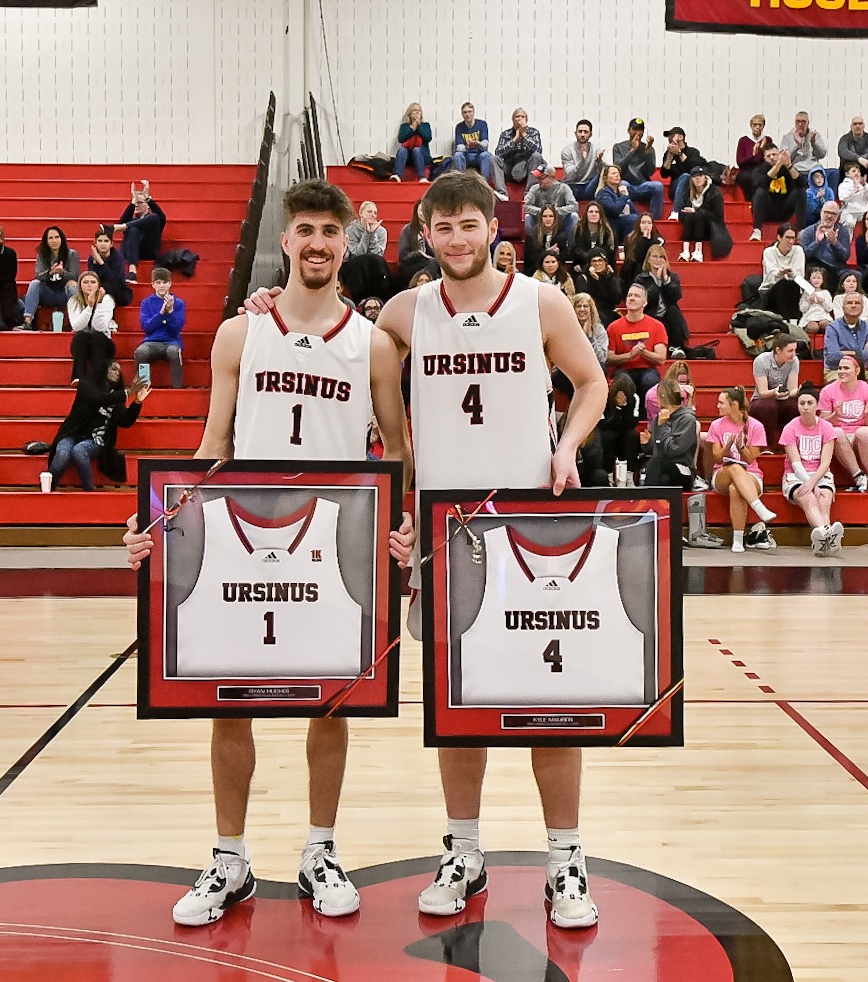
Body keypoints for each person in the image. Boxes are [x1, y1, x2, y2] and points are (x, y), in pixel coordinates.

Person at [240, 171, 608, 929]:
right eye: (443, 227)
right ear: (426, 236)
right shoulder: (407, 312)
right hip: (446, 534)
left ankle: (566, 859)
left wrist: (567, 445)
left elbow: (592, 383)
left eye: (470, 224)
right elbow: (327, 335)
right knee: (456, 705)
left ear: (493, 230)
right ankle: (464, 852)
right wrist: (265, 306)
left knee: (551, 704)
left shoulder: (539, 302)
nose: (457, 238)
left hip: (529, 527)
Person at [125, 179, 413, 927]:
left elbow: (396, 451)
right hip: (243, 539)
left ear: (346, 243)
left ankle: (321, 850)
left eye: (329, 232)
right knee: (231, 703)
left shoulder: (373, 344)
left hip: (334, 542)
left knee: (332, 701)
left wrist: (401, 524)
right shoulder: (238, 334)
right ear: (285, 241)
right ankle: (230, 858)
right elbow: (211, 447)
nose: (317, 243)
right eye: (305, 230)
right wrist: (157, 524)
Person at [48, 362, 150, 490]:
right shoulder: (86, 384)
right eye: (113, 368)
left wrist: (137, 402)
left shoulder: (116, 397)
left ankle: (89, 490)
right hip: (71, 434)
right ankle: (48, 488)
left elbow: (125, 422)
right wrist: (128, 393)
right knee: (62, 454)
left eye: (119, 371)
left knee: (79, 451)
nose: (117, 372)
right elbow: (97, 399)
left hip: (95, 439)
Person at [709, 386, 777, 553]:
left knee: (735, 489)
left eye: (721, 403)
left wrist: (741, 447)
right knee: (734, 467)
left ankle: (738, 540)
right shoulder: (716, 425)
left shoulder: (756, 426)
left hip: (751, 474)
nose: (717, 406)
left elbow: (751, 459)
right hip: (722, 474)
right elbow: (717, 458)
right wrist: (727, 447)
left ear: (734, 405)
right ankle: (758, 506)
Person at [781, 386, 844, 556]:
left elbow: (826, 462)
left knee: (824, 500)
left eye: (810, 403)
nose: (805, 407)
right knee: (809, 498)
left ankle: (823, 542)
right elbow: (795, 463)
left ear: (817, 405)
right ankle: (828, 535)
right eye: (802, 403)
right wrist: (811, 485)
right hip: (796, 475)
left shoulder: (826, 427)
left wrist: (814, 482)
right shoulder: (790, 428)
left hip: (820, 474)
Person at [821, 352, 868, 492]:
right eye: (840, 368)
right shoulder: (828, 391)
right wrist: (835, 416)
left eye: (846, 368)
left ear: (857, 371)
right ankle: (858, 476)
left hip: (863, 436)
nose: (841, 371)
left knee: (864, 432)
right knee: (836, 432)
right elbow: (823, 424)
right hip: (839, 438)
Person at [607, 282, 670, 410]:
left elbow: (661, 358)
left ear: (645, 302)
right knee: (624, 382)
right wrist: (630, 355)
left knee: (650, 381)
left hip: (647, 369)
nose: (632, 298)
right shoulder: (613, 327)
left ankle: (646, 416)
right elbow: (609, 358)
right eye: (629, 295)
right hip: (622, 369)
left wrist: (643, 352)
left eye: (636, 296)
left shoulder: (657, 326)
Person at [822, 293, 868, 398]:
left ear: (862, 307)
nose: (853, 305)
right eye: (849, 303)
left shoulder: (867, 327)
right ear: (843, 307)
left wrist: (846, 352)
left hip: (859, 371)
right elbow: (832, 356)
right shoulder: (832, 327)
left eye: (857, 303)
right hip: (836, 370)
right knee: (844, 381)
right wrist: (860, 353)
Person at [644, 376, 700, 490]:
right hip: (662, 467)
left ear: (662, 397)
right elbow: (654, 450)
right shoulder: (659, 417)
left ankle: (646, 498)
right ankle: (650, 499)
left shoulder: (687, 419)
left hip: (682, 469)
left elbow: (674, 450)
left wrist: (663, 426)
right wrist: (647, 443)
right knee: (662, 479)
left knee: (656, 463)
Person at [134, 268, 186, 388]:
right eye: (158, 282)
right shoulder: (146, 303)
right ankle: (144, 387)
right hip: (151, 342)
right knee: (140, 352)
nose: (161, 285)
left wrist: (171, 312)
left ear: (170, 283)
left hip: (172, 342)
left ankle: (177, 388)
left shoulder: (179, 303)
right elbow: (146, 327)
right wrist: (161, 314)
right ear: (153, 284)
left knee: (174, 352)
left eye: (164, 282)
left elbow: (176, 329)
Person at [22, 225, 80, 330]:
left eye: (57, 237)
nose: (54, 241)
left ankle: (77, 323)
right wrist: (50, 273)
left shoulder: (72, 254)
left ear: (61, 239)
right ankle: (27, 322)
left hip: (64, 293)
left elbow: (75, 276)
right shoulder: (42, 255)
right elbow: (38, 275)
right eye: (51, 238)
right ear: (47, 241)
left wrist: (62, 272)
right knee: (34, 283)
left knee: (73, 284)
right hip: (48, 293)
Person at [633, 245, 687, 353]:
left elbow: (676, 296)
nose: (658, 260)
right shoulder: (641, 279)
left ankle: (676, 347)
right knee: (657, 321)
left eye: (661, 257)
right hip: (651, 314)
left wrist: (666, 280)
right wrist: (657, 282)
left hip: (668, 316)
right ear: (648, 260)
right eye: (655, 256)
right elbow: (646, 300)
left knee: (673, 311)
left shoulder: (672, 277)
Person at [750, 333, 801, 446]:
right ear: (778, 350)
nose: (793, 354)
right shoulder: (761, 361)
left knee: (793, 406)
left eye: (795, 350)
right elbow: (763, 392)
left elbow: (792, 389)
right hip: (761, 399)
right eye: (790, 351)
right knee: (769, 406)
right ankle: (768, 445)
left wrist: (799, 392)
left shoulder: (794, 361)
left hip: (784, 398)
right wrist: (775, 392)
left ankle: (789, 443)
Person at [111, 180, 167, 282]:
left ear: (147, 205)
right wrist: (132, 203)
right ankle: (132, 272)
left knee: (153, 217)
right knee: (132, 229)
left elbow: (161, 217)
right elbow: (122, 222)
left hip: (148, 252)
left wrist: (148, 198)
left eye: (140, 203)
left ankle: (132, 272)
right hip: (131, 252)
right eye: (135, 203)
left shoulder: (154, 219)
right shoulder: (132, 221)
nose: (137, 205)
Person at [610, 118, 665, 219]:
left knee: (658, 186)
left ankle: (654, 220)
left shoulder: (648, 148)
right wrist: (633, 150)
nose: (638, 133)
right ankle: (636, 218)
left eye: (640, 130)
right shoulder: (618, 147)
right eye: (635, 129)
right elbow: (618, 168)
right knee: (623, 185)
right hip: (627, 184)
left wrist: (648, 153)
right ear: (629, 130)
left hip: (643, 185)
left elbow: (650, 171)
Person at [68, 270, 117, 383]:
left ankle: (98, 379)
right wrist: (89, 307)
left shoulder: (107, 300)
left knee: (97, 336)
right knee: (80, 335)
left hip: (103, 345)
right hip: (82, 346)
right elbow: (76, 327)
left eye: (93, 282)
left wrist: (98, 304)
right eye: (85, 282)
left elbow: (100, 327)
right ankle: (78, 378)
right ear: (80, 286)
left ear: (98, 285)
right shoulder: (74, 301)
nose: (89, 285)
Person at [598, 374, 644, 484]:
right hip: (608, 431)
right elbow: (602, 424)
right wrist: (617, 409)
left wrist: (623, 409)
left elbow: (632, 423)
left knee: (632, 436)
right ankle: (608, 476)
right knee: (607, 437)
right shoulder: (604, 397)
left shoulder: (634, 398)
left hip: (624, 432)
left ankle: (629, 477)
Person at [342, 200, 391, 300]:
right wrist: (367, 234)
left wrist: (372, 235)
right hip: (354, 264)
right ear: (361, 213)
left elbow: (378, 254)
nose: (373, 215)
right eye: (369, 211)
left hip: (373, 265)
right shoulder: (351, 229)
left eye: (375, 213)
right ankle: (360, 299)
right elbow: (358, 253)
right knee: (362, 261)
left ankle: (379, 300)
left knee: (378, 262)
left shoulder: (381, 231)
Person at [750, 148, 804, 241]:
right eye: (768, 156)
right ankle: (757, 230)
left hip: (784, 210)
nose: (771, 157)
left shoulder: (786, 170)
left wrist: (789, 166)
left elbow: (802, 184)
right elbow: (760, 184)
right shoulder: (759, 170)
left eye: (774, 154)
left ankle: (800, 232)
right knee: (760, 191)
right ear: (764, 159)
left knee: (800, 192)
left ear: (779, 155)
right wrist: (778, 165)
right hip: (766, 211)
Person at [677, 167, 724, 263]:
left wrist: (697, 211)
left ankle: (698, 251)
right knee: (690, 215)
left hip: (710, 227)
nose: (698, 178)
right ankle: (685, 251)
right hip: (691, 226)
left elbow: (718, 217)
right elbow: (681, 215)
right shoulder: (688, 193)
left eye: (700, 176)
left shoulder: (714, 192)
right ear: (691, 179)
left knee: (698, 215)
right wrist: (689, 213)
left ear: (705, 178)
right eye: (695, 176)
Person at [759, 223, 805, 321]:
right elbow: (770, 278)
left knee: (792, 284)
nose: (791, 241)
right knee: (784, 283)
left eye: (793, 238)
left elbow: (800, 277)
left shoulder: (798, 251)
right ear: (779, 237)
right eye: (787, 238)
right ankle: (784, 320)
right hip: (770, 291)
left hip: (793, 289)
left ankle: (793, 320)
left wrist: (792, 273)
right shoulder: (769, 252)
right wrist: (780, 273)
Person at [658, 126, 707, 217]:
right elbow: (664, 174)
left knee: (686, 176)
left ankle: (678, 211)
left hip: (692, 187)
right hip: (675, 187)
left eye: (672, 136)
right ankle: (676, 212)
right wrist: (669, 157)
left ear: (680, 137)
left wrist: (679, 153)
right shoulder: (668, 153)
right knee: (684, 177)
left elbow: (694, 168)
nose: (669, 139)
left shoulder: (693, 152)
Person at [496, 107, 545, 185]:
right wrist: (514, 140)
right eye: (517, 116)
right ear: (513, 119)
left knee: (536, 156)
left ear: (526, 120)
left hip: (528, 169)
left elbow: (538, 151)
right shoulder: (505, 134)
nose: (520, 119)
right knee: (493, 159)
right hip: (509, 167)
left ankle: (530, 190)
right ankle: (501, 190)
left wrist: (525, 135)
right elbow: (498, 153)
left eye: (522, 117)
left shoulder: (534, 132)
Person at [523, 168, 577, 238]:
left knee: (574, 216)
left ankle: (571, 244)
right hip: (540, 224)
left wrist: (555, 211)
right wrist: (543, 211)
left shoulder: (564, 188)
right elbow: (526, 207)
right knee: (528, 217)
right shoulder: (534, 188)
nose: (538, 180)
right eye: (538, 178)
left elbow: (574, 206)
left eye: (541, 178)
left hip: (559, 223)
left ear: (550, 177)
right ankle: (533, 243)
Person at [559, 119, 605, 201]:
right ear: (575, 133)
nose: (582, 134)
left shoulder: (597, 149)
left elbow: (603, 172)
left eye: (585, 132)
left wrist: (599, 161)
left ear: (590, 134)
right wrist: (582, 161)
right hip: (574, 185)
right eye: (580, 132)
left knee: (603, 176)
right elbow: (570, 176)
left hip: (590, 186)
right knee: (565, 188)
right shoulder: (567, 151)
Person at [801, 202, 850, 278]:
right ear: (821, 212)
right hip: (815, 267)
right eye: (827, 212)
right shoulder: (809, 231)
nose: (829, 216)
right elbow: (804, 256)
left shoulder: (843, 232)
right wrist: (817, 242)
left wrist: (835, 243)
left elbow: (845, 258)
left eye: (833, 214)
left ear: (837, 216)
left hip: (836, 270)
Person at [398, 199, 438, 286]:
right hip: (411, 264)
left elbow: (434, 254)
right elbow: (403, 255)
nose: (423, 213)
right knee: (433, 264)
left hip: (428, 263)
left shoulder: (433, 229)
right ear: (416, 212)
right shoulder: (408, 229)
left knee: (436, 264)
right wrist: (418, 254)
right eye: (421, 210)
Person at [595, 165, 639, 244]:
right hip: (611, 227)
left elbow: (634, 212)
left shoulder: (621, 192)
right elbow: (614, 210)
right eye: (613, 173)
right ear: (606, 178)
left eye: (618, 174)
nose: (617, 175)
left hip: (624, 225)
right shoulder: (603, 193)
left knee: (641, 220)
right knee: (632, 219)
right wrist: (624, 196)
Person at [452, 102, 493, 184]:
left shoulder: (482, 124)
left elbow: (485, 144)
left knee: (486, 155)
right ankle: (461, 183)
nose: (467, 114)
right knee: (457, 155)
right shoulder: (459, 127)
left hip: (479, 154)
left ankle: (484, 183)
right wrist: (468, 146)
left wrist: (478, 143)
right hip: (466, 154)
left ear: (474, 112)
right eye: (465, 112)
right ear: (462, 114)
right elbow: (459, 147)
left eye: (469, 111)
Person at [523, 205, 571, 276]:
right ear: (541, 218)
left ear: (555, 218)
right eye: (545, 216)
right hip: (535, 270)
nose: (548, 219)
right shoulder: (532, 235)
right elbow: (529, 258)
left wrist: (557, 254)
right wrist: (548, 252)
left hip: (555, 272)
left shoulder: (561, 235)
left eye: (551, 216)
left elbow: (565, 256)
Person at [569, 202, 615, 273]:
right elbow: (576, 250)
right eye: (591, 212)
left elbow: (608, 252)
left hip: (602, 266)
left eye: (597, 212)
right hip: (581, 265)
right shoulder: (578, 229)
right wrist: (588, 258)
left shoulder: (607, 231)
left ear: (600, 215)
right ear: (586, 214)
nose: (594, 214)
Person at [619, 214, 664, 283]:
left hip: (652, 275)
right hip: (632, 274)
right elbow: (637, 257)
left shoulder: (659, 241)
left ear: (652, 225)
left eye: (649, 223)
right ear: (638, 225)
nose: (646, 225)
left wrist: (647, 240)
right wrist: (644, 239)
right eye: (643, 223)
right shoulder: (630, 239)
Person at [395, 102, 433, 182]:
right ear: (410, 113)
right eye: (414, 110)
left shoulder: (425, 125)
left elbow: (428, 138)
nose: (417, 112)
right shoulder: (404, 126)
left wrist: (419, 127)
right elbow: (401, 139)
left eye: (419, 111)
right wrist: (412, 128)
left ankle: (422, 177)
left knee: (416, 149)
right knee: (402, 150)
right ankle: (397, 175)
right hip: (408, 157)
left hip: (422, 155)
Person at [735, 114, 773, 193]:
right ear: (751, 126)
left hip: (762, 171)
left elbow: (769, 161)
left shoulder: (767, 140)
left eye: (760, 125)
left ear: (763, 126)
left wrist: (762, 150)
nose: (757, 127)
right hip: (747, 171)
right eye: (755, 125)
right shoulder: (743, 140)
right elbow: (740, 162)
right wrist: (752, 155)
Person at [577, 249, 622, 313]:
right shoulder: (583, 278)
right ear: (590, 263)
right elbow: (585, 300)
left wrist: (609, 278)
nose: (597, 264)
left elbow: (617, 299)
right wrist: (595, 281)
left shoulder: (611, 278)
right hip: (591, 313)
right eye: (594, 261)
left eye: (600, 260)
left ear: (605, 262)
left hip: (609, 313)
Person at [837, 163, 868, 231]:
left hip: (863, 211)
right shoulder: (843, 185)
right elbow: (843, 198)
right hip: (849, 211)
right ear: (847, 174)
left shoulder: (863, 184)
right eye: (854, 171)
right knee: (848, 222)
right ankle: (847, 238)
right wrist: (855, 188)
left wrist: (864, 185)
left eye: (858, 171)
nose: (857, 173)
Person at [799, 266, 835, 339]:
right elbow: (802, 309)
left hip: (823, 316)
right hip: (810, 317)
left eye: (819, 278)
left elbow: (830, 308)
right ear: (810, 280)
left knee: (826, 325)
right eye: (814, 278)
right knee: (813, 327)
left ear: (822, 280)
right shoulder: (806, 293)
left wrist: (822, 302)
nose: (816, 280)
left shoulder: (825, 293)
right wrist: (809, 301)